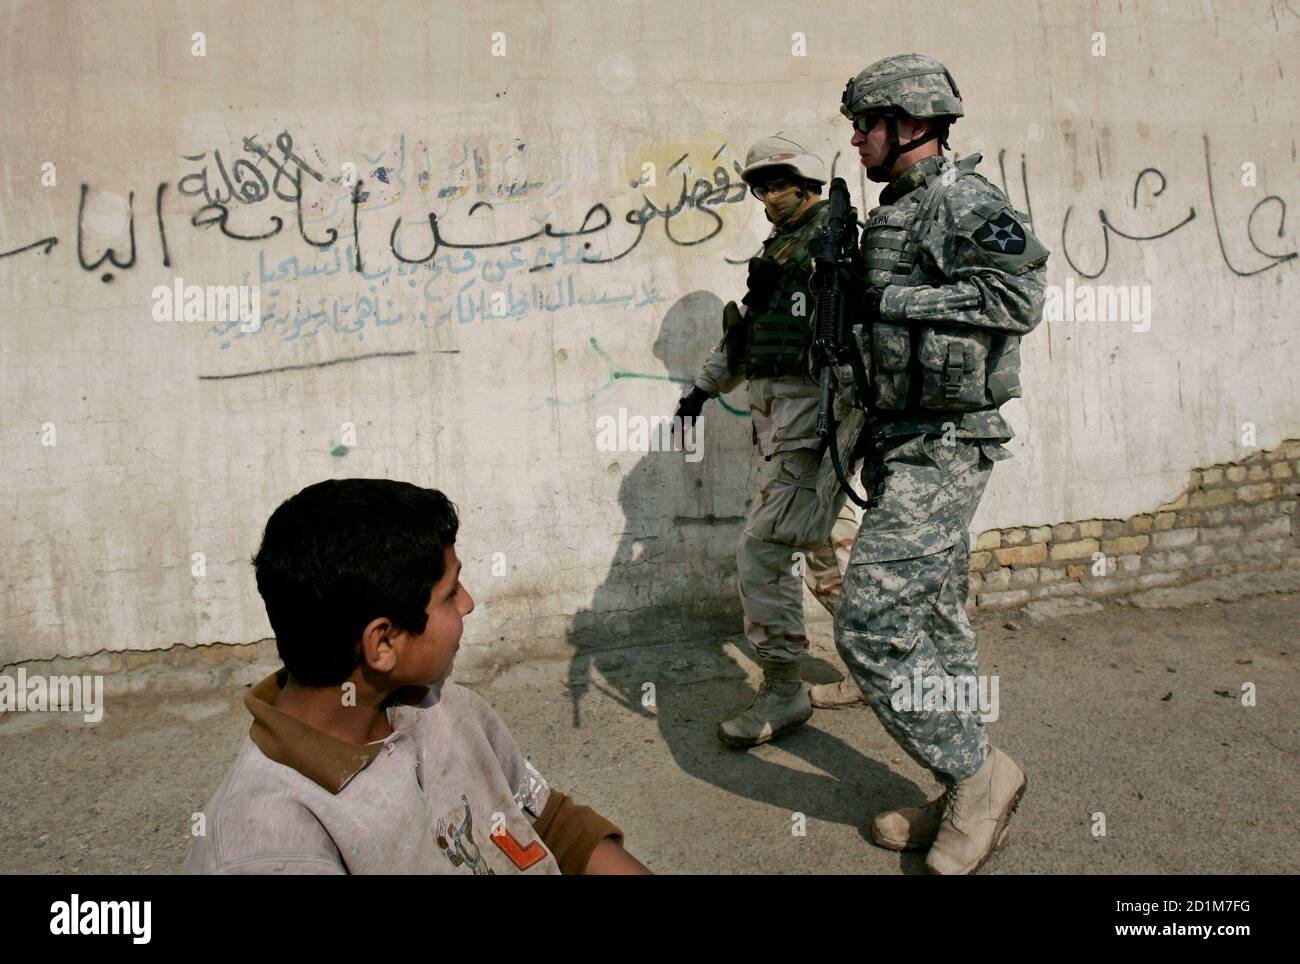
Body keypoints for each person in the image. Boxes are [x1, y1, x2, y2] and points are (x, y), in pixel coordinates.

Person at [184, 478, 649, 875]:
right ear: (382, 644)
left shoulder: (448, 708)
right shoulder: (268, 843)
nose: (467, 603)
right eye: (449, 594)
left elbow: (550, 824)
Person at [831, 54, 1049, 873]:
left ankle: (979, 773)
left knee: (872, 622)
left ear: (912, 124)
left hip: (947, 443)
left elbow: (1018, 298)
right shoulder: (897, 210)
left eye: (867, 123)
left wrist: (892, 301)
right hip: (899, 440)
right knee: (933, 618)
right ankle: (962, 787)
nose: (855, 138)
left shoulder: (967, 200)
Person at [674, 133, 857, 749]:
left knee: (763, 551)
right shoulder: (782, 251)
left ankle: (784, 688)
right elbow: (749, 334)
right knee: (825, 549)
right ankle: (873, 663)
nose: (768, 195)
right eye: (759, 185)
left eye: (778, 182)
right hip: (785, 426)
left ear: (807, 182)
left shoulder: (833, 249)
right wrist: (700, 391)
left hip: (815, 428)